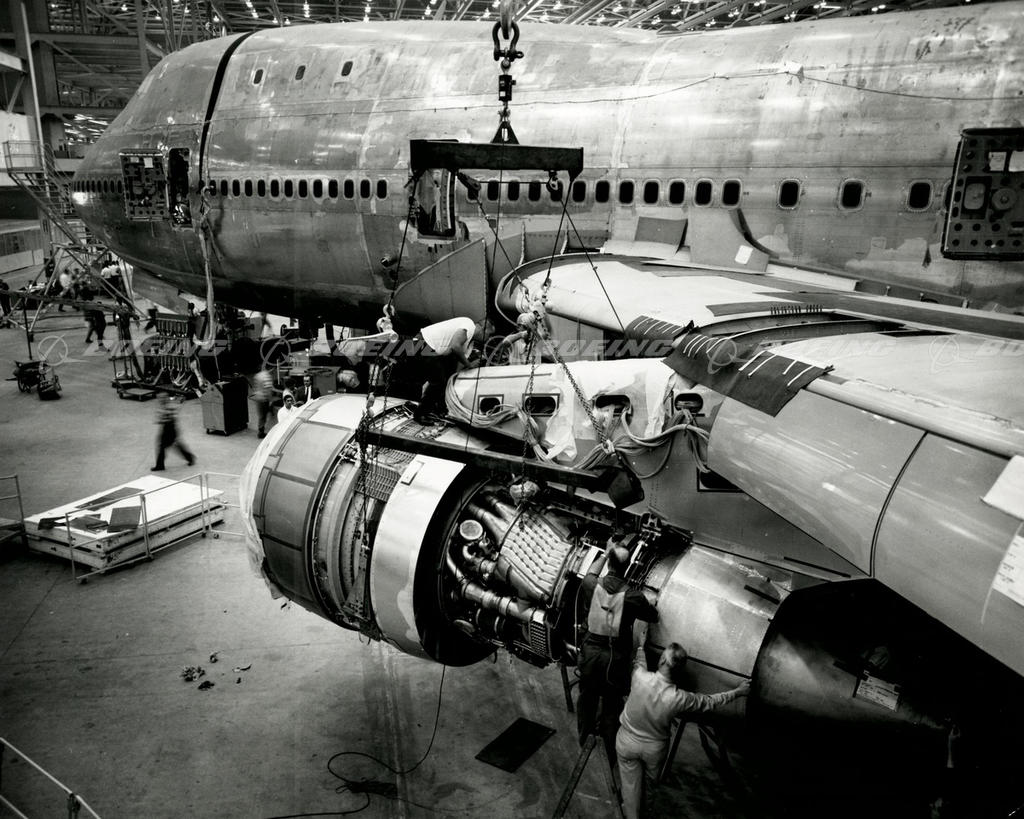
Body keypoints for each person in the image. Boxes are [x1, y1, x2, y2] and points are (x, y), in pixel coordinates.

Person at [615, 638, 750, 819]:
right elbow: (710, 701)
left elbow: (639, 662)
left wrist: (641, 644)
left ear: (663, 660)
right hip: (654, 749)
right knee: (650, 787)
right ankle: (644, 814)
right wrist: (738, 692)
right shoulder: (680, 698)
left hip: (627, 741)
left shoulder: (640, 676)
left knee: (630, 786)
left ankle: (631, 814)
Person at [577, 541, 659, 763]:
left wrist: (605, 552)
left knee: (587, 699)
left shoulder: (590, 584)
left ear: (610, 564)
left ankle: (584, 741)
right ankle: (610, 752)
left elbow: (591, 572)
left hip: (590, 655)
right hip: (615, 660)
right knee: (612, 706)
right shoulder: (633, 597)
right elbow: (653, 616)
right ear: (628, 565)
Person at [412, 316, 484, 423]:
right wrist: (469, 365)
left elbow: (458, 365)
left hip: (432, 349)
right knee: (438, 381)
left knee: (443, 380)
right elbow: (455, 346)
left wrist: (454, 378)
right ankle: (420, 414)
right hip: (424, 343)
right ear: (483, 328)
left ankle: (436, 409)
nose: (487, 338)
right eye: (489, 334)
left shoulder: (469, 344)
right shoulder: (469, 324)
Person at [152, 393, 195, 471]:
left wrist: (161, 419)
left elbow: (168, 418)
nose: (159, 400)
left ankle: (160, 465)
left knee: (164, 447)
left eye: (161, 398)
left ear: (165, 399)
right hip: (167, 429)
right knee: (171, 446)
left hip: (169, 429)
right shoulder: (165, 406)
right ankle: (190, 458)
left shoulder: (169, 407)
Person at [249, 367, 274, 438]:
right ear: (270, 369)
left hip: (258, 397)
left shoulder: (258, 375)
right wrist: (270, 400)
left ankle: (260, 430)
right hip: (264, 398)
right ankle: (261, 432)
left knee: (261, 415)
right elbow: (268, 390)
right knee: (263, 416)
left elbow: (255, 387)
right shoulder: (267, 376)